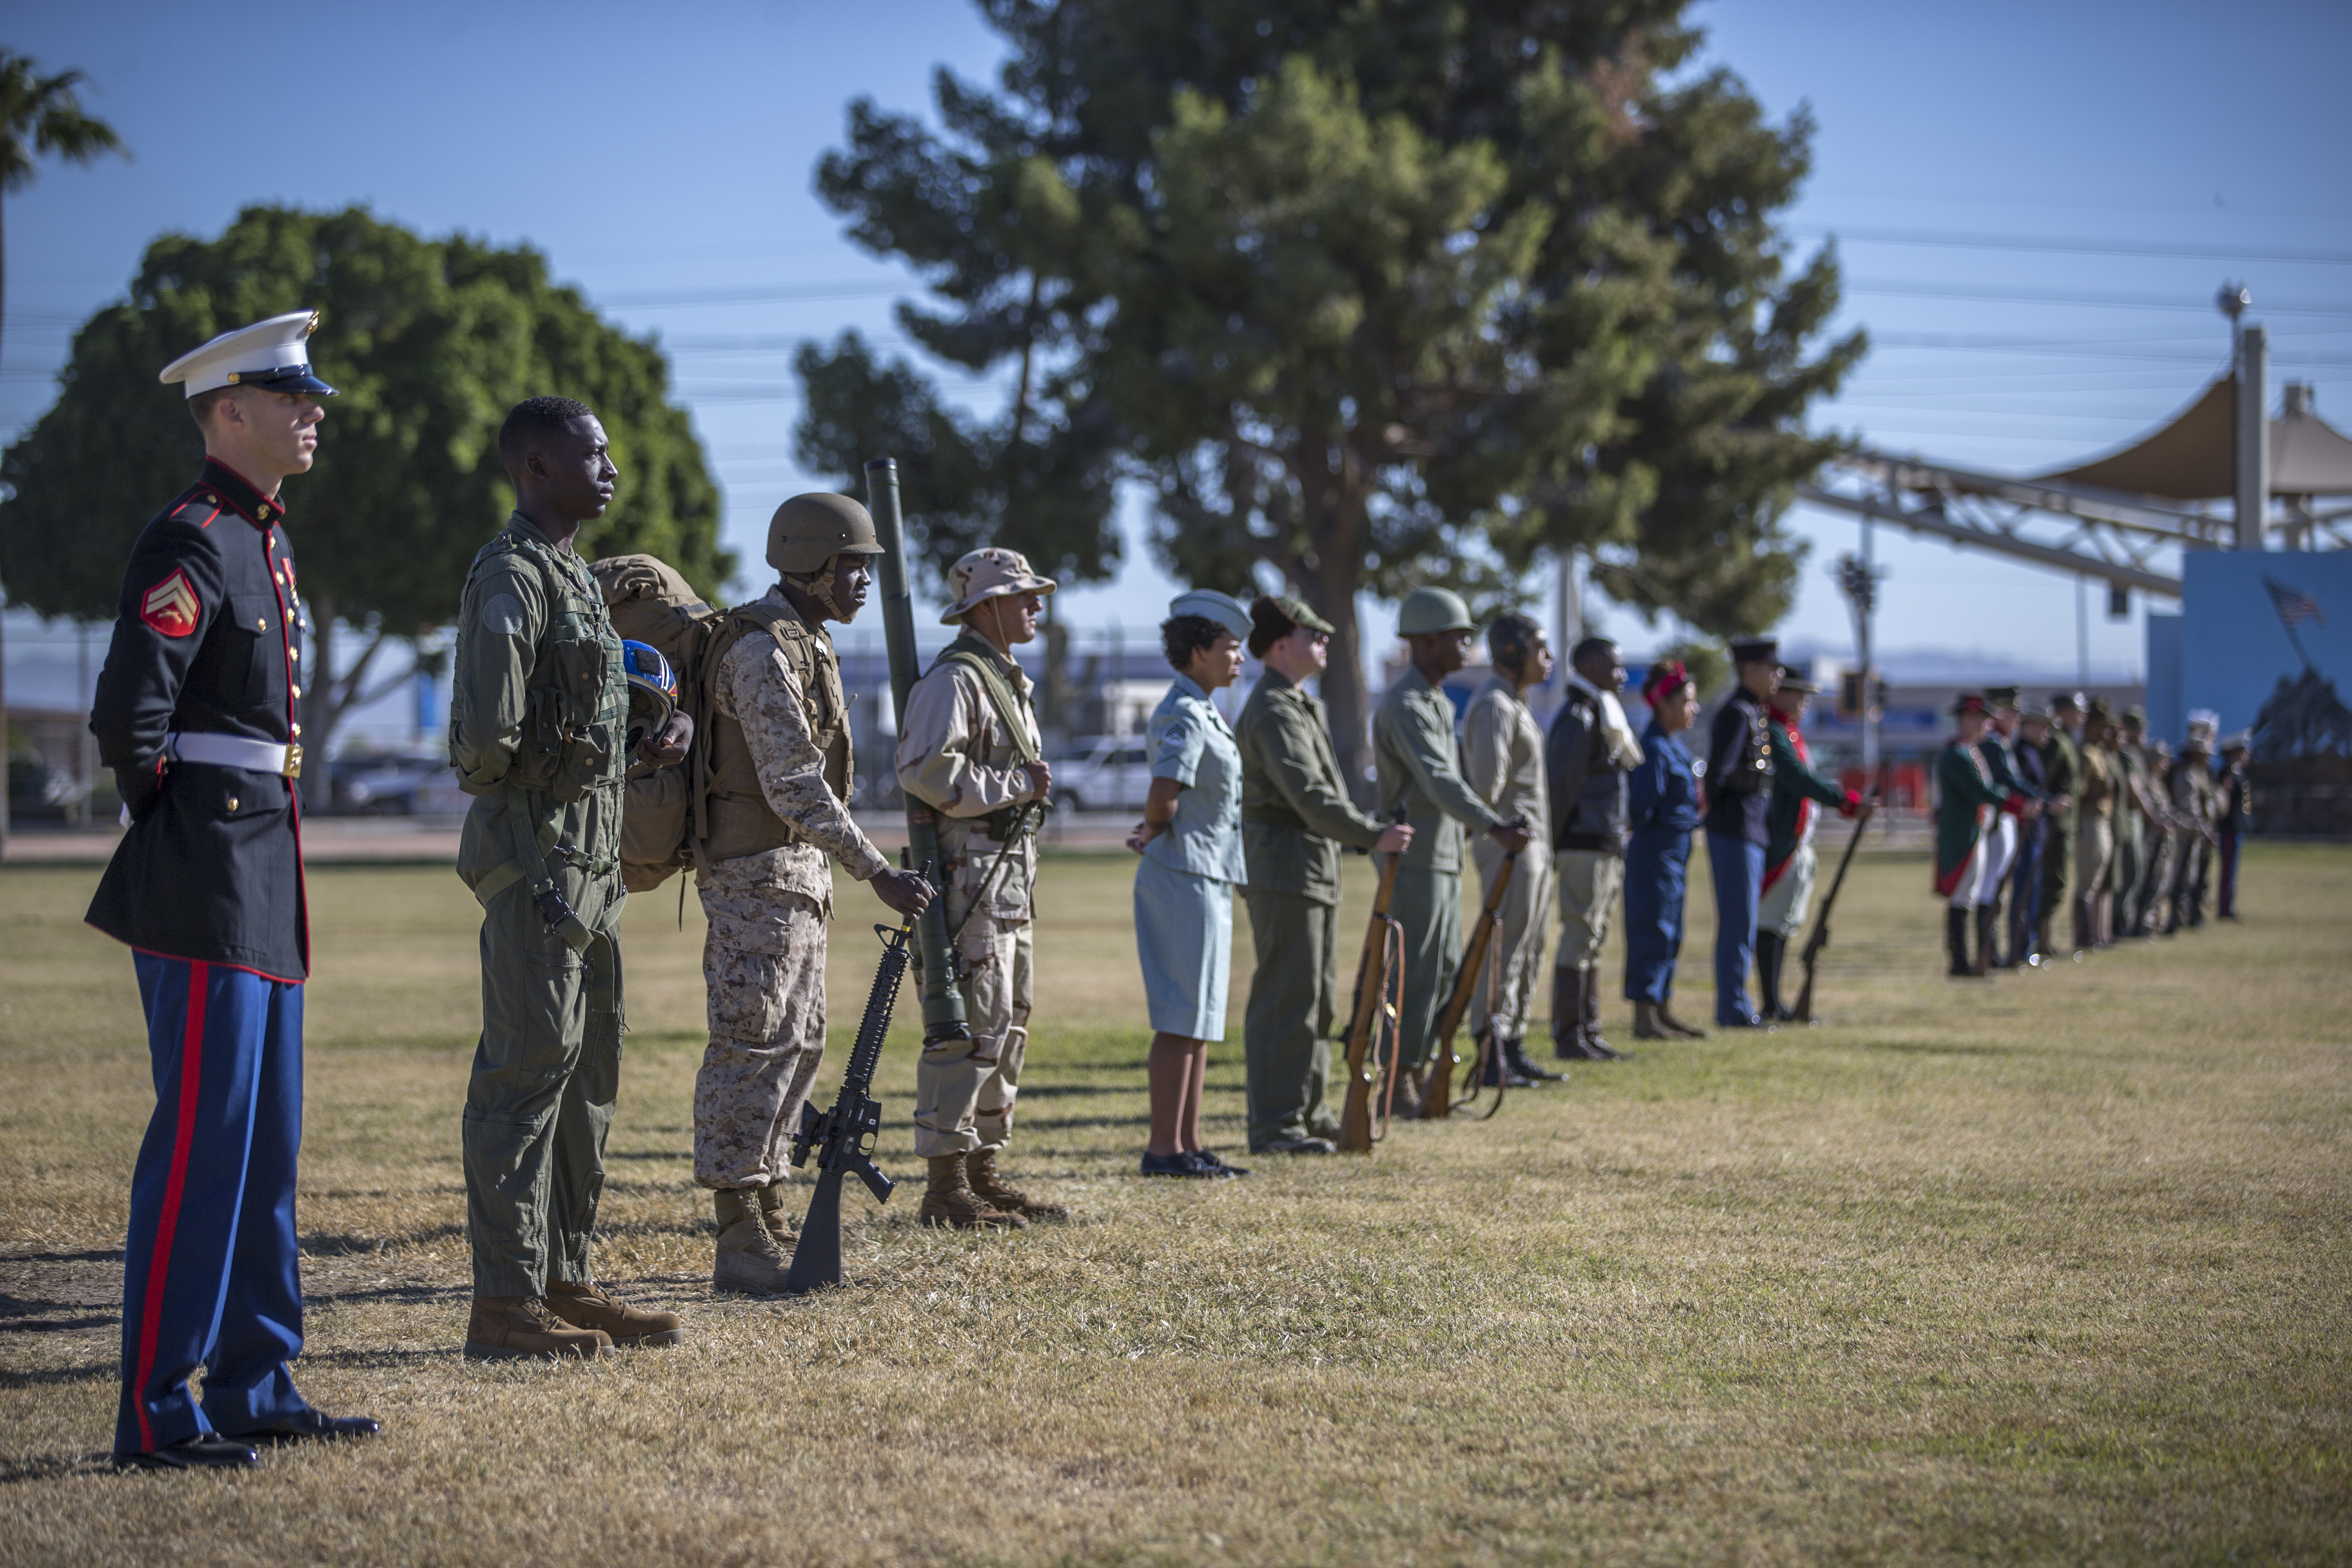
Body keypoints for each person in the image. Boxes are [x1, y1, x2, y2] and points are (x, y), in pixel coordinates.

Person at [88, 311, 377, 1469]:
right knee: (204, 1146)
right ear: (227, 411)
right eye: (289, 394)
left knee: (264, 1150)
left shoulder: (265, 539)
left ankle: (257, 1376)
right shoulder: (194, 539)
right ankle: (158, 1410)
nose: (314, 411)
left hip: (262, 870)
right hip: (207, 872)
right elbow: (130, 720)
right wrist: (185, 824)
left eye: (311, 395)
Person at [451, 397, 692, 1360]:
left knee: (587, 1084)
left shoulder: (579, 581)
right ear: (538, 466)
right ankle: (503, 1307)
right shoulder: (512, 575)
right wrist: (578, 759)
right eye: (594, 453)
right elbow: (483, 747)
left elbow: (575, 731)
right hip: (539, 869)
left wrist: (644, 735)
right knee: (522, 1084)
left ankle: (565, 1278)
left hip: (594, 873)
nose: (613, 467)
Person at [689, 495, 935, 1290]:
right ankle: (736, 1231)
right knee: (752, 1046)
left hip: (795, 878)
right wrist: (877, 870)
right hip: (756, 878)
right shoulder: (762, 653)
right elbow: (793, 782)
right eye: (854, 565)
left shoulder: (807, 644)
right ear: (811, 562)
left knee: (797, 1046)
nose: (863, 581)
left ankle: (764, 1207)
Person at [896, 548, 1065, 1228]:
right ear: (983, 607)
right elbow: (922, 769)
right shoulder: (957, 679)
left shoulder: (1002, 677)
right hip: (971, 881)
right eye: (1022, 596)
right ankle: (944, 1188)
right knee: (965, 1029)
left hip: (1004, 880)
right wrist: (1015, 786)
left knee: (1006, 1025)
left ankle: (980, 1170)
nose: (1036, 605)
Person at [1233, 596, 1412, 1155]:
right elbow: (1310, 797)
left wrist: (1360, 832)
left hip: (1308, 866)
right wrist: (1369, 834)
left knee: (1315, 999)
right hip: (1285, 866)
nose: (1325, 643)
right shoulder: (1274, 710)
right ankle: (1276, 1125)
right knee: (1288, 997)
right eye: (1314, 635)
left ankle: (1308, 1112)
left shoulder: (1295, 704)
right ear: (1280, 644)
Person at [1373, 588, 1532, 1116]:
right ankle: (1395, 1080)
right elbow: (1439, 780)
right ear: (1428, 641)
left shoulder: (1438, 701)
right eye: (1459, 637)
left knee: (1441, 974)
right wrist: (1492, 825)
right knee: (1411, 974)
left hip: (1441, 855)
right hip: (1413, 860)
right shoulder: (1406, 704)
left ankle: (1416, 1073)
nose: (1468, 646)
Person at [1129, 592, 1255, 1176]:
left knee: (1200, 1018)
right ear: (1199, 651)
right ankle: (1163, 1149)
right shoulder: (1182, 712)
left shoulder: (1201, 708)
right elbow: (1163, 797)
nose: (1240, 660)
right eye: (1231, 649)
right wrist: (1155, 829)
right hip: (1184, 874)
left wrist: (1158, 826)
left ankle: (1188, 1143)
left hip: (1204, 872)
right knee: (1181, 1017)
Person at [1464, 615, 1561, 1085]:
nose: (1548, 660)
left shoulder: (1515, 704)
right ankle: (1489, 1044)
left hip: (1532, 846)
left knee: (1529, 947)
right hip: (1509, 847)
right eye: (1541, 650)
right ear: (1511, 651)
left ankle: (1513, 1042)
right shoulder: (1496, 707)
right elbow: (1485, 787)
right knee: (1503, 947)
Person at [1544, 635, 1640, 1062]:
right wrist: (1557, 839)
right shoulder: (1579, 717)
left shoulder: (1601, 712)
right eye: (1614, 667)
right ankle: (1569, 1035)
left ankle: (1589, 1029)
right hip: (1582, 842)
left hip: (1603, 843)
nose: (1621, 676)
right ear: (1591, 667)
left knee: (1595, 938)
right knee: (1580, 935)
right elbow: (1561, 787)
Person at [1756, 673, 1862, 1019]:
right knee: (1771, 921)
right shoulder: (1772, 732)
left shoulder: (1789, 733)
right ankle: (1771, 1002)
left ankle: (1776, 1001)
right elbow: (1797, 779)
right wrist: (1844, 801)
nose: (1805, 702)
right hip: (1783, 839)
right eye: (1798, 695)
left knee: (1784, 921)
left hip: (1799, 840)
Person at [1623, 662, 1705, 1041]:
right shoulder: (1654, 748)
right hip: (1655, 853)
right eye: (1688, 701)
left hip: (1675, 853)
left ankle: (1663, 1008)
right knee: (1652, 928)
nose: (1695, 708)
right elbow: (1642, 806)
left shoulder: (1674, 746)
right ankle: (1644, 1015)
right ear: (1664, 705)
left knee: (1672, 930)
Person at [1702, 637, 1781, 1027]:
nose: (1778, 675)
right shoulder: (1736, 713)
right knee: (1737, 921)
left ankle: (1739, 1002)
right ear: (1750, 670)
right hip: (1734, 829)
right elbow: (1717, 778)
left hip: (1750, 830)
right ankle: (1733, 1006)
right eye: (1771, 667)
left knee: (1745, 920)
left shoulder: (1754, 712)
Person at [1933, 694, 2016, 977]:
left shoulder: (1970, 752)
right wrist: (2014, 803)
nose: (1984, 725)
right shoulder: (1956, 755)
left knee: (1969, 895)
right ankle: (1959, 961)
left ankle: (1968, 960)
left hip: (1976, 830)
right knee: (1960, 897)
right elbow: (1977, 790)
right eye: (1979, 719)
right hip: (1962, 834)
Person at [1970, 686, 2039, 968]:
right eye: (2013, 711)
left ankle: (1992, 950)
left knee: (1997, 888)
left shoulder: (2003, 743)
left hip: (2008, 819)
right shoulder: (1993, 743)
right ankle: (1989, 951)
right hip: (1999, 820)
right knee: (1990, 888)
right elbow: (2005, 782)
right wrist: (2038, 797)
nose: (2018, 718)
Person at [2006, 705, 2055, 966]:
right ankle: (2019, 947)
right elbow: (2023, 791)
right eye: (2043, 727)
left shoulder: (2033, 753)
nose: (2047, 733)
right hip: (2025, 833)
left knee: (2032, 893)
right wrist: (2047, 804)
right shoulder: (2022, 754)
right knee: (2024, 893)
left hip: (2036, 832)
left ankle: (2028, 946)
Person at [2037, 692, 2082, 959]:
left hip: (2066, 822)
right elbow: (2050, 780)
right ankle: (2042, 940)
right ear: (2063, 712)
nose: (2081, 717)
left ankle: (2048, 939)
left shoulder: (2066, 739)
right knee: (2052, 880)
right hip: (2054, 823)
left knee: (2059, 881)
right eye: (2076, 711)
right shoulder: (2055, 741)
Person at [2073, 698, 2120, 951]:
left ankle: (2095, 933)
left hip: (2102, 820)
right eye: (2102, 726)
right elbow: (2078, 792)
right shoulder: (2085, 754)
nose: (2106, 732)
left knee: (2098, 879)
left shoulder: (2100, 753)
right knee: (2087, 880)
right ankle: (2084, 936)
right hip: (2089, 820)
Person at [2169, 715, 2220, 930]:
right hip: (2187, 832)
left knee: (2193, 877)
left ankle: (2189, 914)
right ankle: (2175, 918)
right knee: (2181, 876)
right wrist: (2204, 830)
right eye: (2205, 754)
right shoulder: (2186, 775)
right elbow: (2190, 807)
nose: (2208, 758)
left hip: (2199, 833)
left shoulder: (2201, 774)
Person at [2214, 734, 2251, 919]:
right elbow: (2223, 803)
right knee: (2228, 869)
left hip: (2237, 828)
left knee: (2233, 869)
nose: (2246, 755)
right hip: (2229, 828)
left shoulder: (2239, 773)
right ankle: (2225, 909)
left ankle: (2229, 906)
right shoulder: (2227, 774)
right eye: (2243, 752)